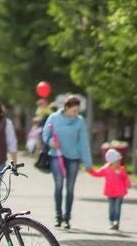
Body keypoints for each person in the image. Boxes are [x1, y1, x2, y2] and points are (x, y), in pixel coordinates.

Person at [42, 95, 92, 230]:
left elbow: (83, 143)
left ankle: (67, 217)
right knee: (58, 186)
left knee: (70, 188)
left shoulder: (79, 121)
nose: (76, 113)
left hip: (73, 158)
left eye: (78, 111)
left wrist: (88, 163)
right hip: (56, 156)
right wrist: (52, 142)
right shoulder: (53, 118)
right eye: (74, 110)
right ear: (66, 108)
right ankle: (58, 216)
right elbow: (45, 134)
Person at [87, 148, 131, 230]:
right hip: (110, 192)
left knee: (117, 208)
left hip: (120, 192)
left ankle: (116, 222)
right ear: (111, 162)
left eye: (119, 161)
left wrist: (128, 183)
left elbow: (125, 178)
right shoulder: (105, 169)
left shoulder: (121, 169)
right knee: (111, 208)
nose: (119, 163)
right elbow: (97, 174)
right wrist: (90, 171)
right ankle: (111, 221)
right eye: (117, 161)